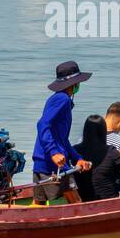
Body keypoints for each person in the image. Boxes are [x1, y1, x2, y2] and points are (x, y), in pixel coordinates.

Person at [31, 61, 93, 204]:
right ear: (74, 83)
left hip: (42, 160)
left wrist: (77, 157)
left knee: (38, 204)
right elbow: (42, 124)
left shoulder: (58, 99)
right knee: (76, 203)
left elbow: (62, 140)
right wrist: (53, 153)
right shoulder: (62, 99)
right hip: (55, 163)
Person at [74, 114, 120, 201]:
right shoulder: (110, 151)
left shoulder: (74, 151)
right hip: (108, 201)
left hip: (84, 200)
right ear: (103, 131)